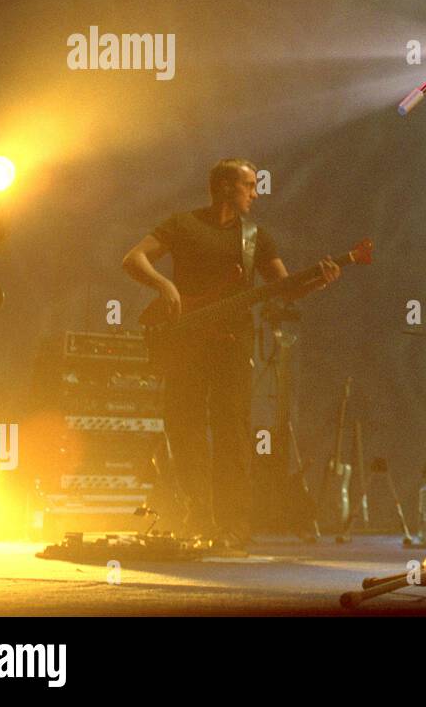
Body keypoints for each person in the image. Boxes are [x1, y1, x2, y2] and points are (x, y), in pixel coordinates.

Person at [121, 158, 340, 549]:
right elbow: (133, 258)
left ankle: (232, 528)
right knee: (184, 430)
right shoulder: (183, 224)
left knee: (232, 435)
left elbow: (285, 289)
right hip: (185, 343)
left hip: (232, 346)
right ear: (225, 187)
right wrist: (164, 285)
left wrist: (319, 281)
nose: (256, 193)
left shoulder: (256, 237)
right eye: (249, 185)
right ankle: (196, 520)